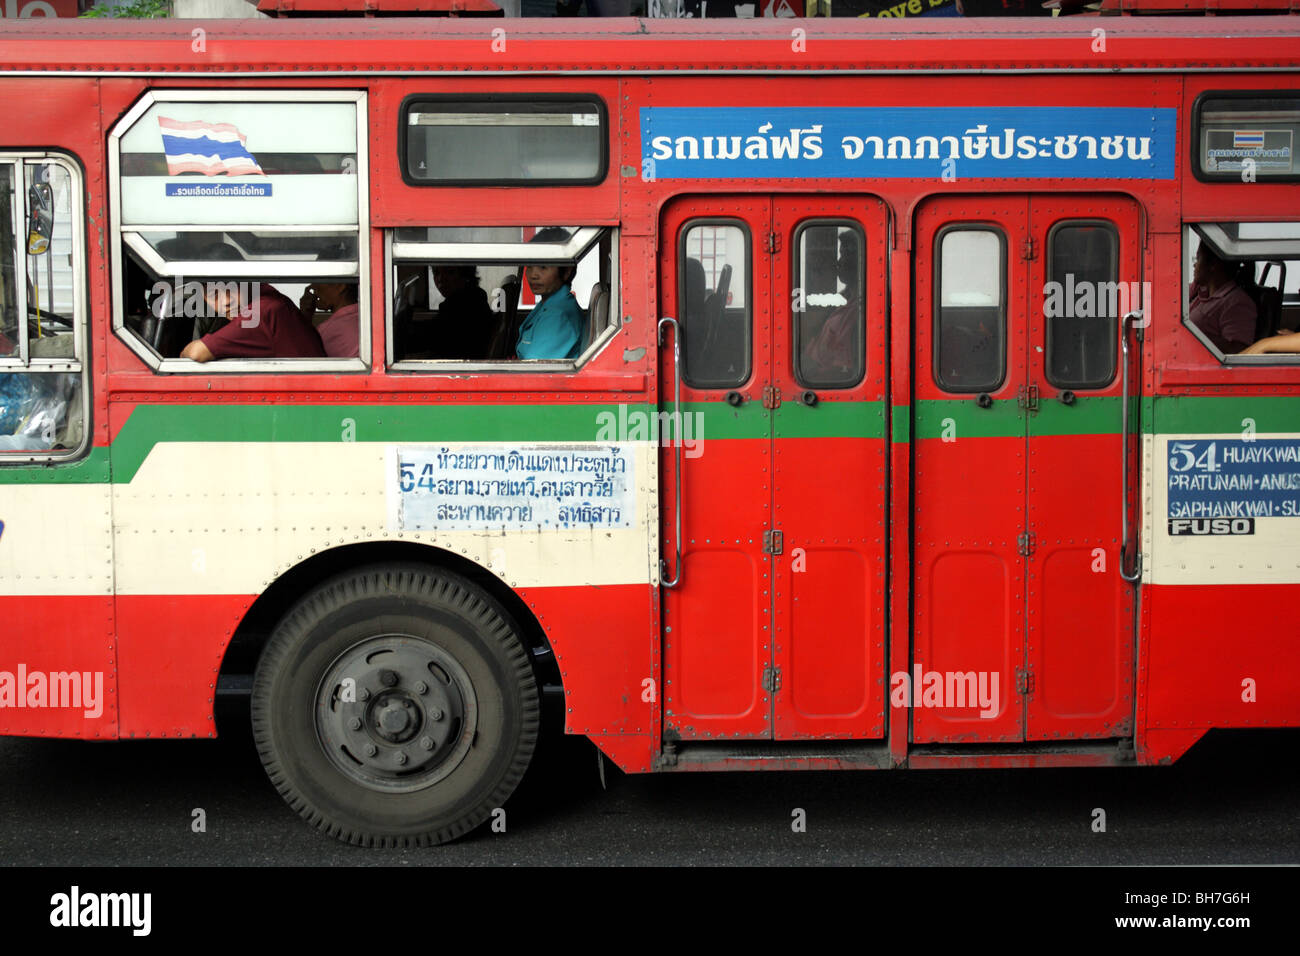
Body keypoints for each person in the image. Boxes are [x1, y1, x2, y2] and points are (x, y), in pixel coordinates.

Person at [179, 244, 324, 362]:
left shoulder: (261, 312)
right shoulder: (266, 296)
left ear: (247, 279)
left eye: (232, 287)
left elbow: (197, 353)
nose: (227, 301)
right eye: (214, 295)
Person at [801, 232, 862, 383]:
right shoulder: (843, 300)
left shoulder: (859, 310)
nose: (839, 262)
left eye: (846, 254)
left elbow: (843, 371)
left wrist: (807, 373)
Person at [516, 228, 584, 360]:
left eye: (543, 267)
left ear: (566, 272)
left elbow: (533, 370)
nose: (533, 275)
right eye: (529, 266)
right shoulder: (548, 304)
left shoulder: (558, 316)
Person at [1188, 243, 1256, 354]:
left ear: (1213, 265)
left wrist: (1193, 336)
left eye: (1198, 258)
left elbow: (1237, 349)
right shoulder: (1198, 290)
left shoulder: (1237, 303)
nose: (1194, 264)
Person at [429, 266, 493, 359]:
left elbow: (435, 340)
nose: (441, 279)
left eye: (450, 272)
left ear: (465, 275)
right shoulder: (475, 295)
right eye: (436, 273)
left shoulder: (464, 305)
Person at [299, 281, 360, 359]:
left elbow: (301, 354)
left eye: (321, 279)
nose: (313, 287)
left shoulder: (328, 329)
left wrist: (304, 316)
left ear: (341, 286)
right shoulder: (365, 316)